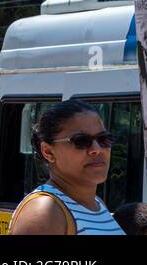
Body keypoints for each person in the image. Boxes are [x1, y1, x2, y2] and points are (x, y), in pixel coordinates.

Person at [9, 99, 125, 235]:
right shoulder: (45, 210)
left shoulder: (97, 204)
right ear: (48, 152)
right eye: (81, 141)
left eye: (103, 139)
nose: (97, 149)